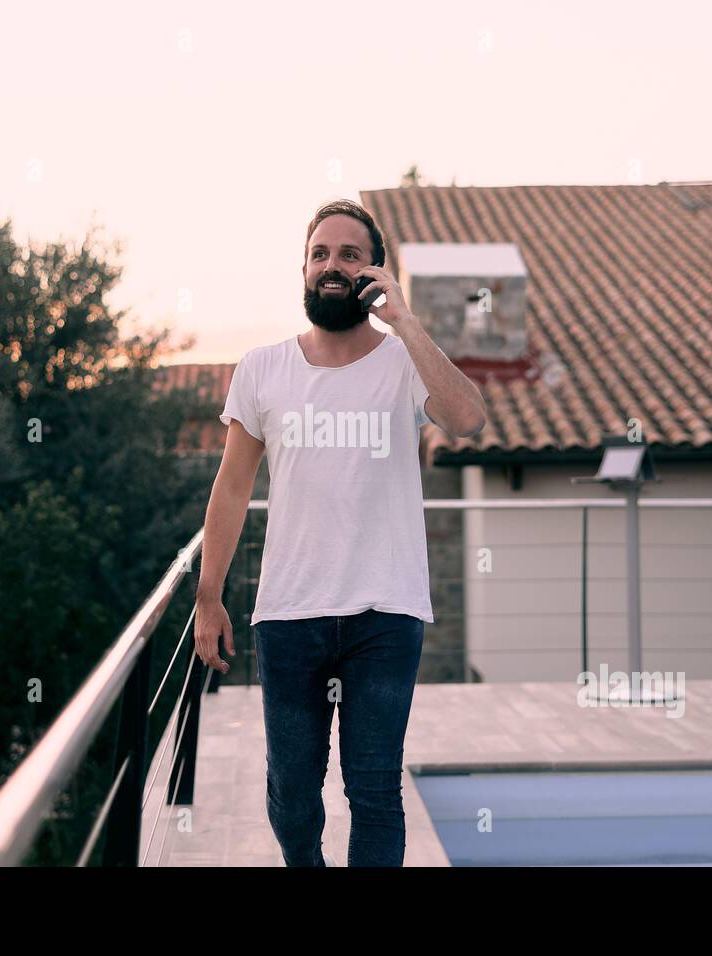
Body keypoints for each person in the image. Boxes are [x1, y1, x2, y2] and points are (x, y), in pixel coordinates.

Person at [193, 199, 486, 867]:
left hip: (386, 614)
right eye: (321, 253)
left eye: (350, 254)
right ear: (303, 269)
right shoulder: (262, 369)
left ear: (372, 271)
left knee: (375, 789)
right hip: (291, 614)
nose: (333, 265)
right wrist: (208, 597)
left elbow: (468, 419)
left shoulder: (405, 361)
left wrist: (407, 322)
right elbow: (232, 489)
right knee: (292, 793)